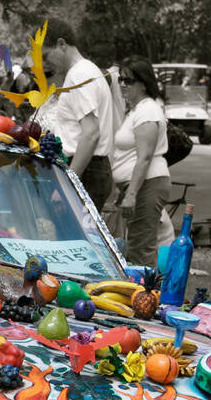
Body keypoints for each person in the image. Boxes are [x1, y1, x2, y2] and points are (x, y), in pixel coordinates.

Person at [41, 17, 115, 211]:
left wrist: (67, 184)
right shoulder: (87, 71)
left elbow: (91, 133)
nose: (44, 64)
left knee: (73, 240)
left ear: (61, 44)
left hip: (85, 170)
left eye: (46, 56)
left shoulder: (79, 74)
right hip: (90, 169)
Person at [111, 57, 173, 267]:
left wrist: (131, 194)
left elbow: (145, 156)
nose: (122, 85)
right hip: (141, 185)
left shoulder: (148, 110)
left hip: (148, 184)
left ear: (144, 83)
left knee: (140, 250)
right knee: (137, 246)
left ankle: (148, 297)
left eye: (128, 80)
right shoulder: (137, 109)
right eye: (120, 79)